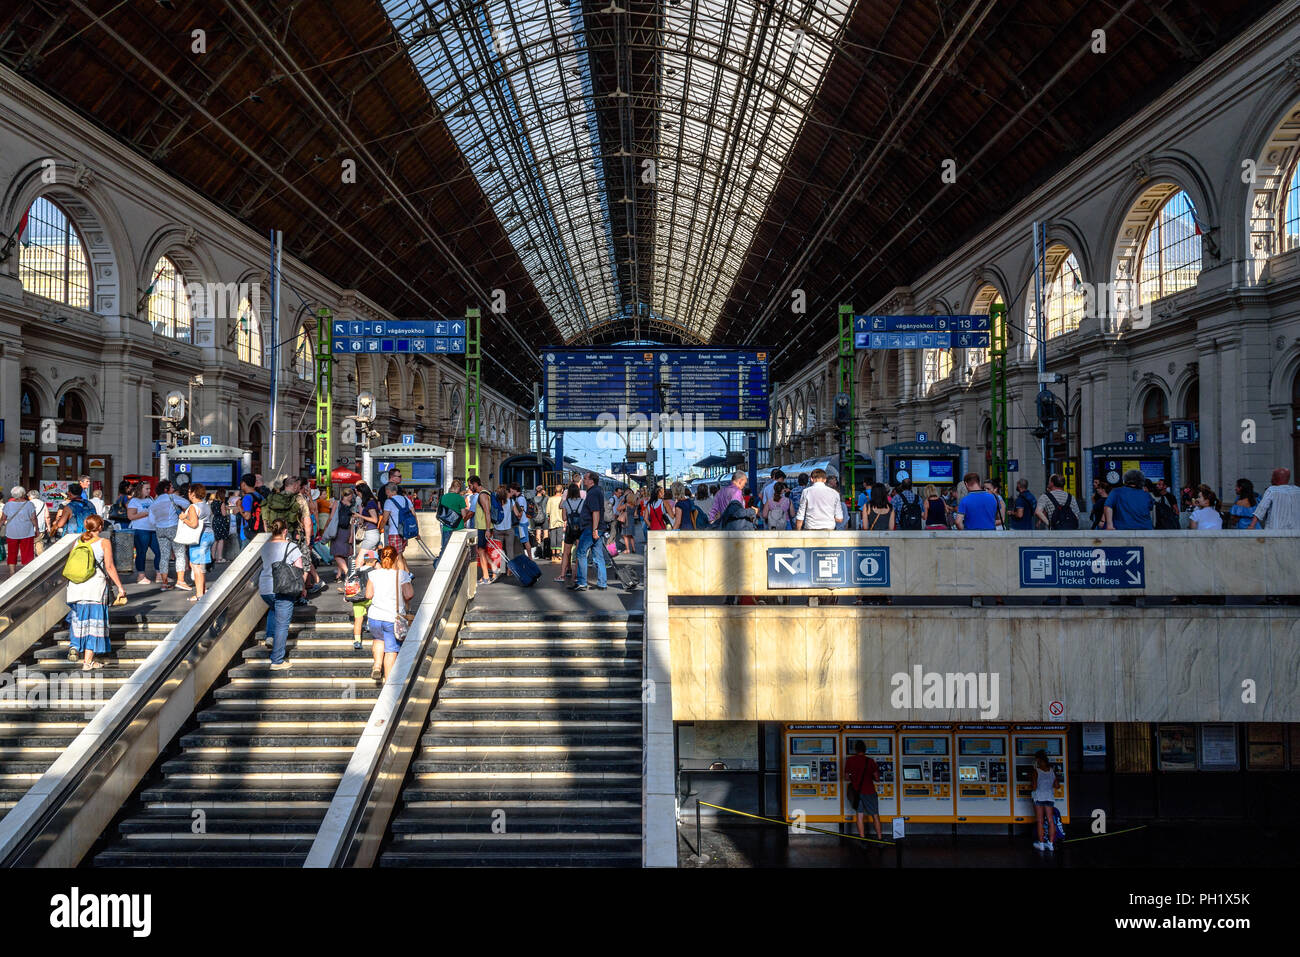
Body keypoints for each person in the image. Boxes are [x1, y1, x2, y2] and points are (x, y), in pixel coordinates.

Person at [64, 515, 126, 671]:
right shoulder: (104, 542)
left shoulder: (77, 542)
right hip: (95, 588)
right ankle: (87, 662)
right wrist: (120, 587)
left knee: (78, 620)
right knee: (94, 624)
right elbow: (110, 567)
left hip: (75, 587)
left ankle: (74, 644)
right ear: (100, 527)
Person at [364, 545, 414, 683]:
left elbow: (368, 595)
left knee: (379, 640)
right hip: (392, 618)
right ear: (396, 558)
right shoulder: (401, 575)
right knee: (391, 650)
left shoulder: (373, 574)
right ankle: (389, 681)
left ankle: (377, 666)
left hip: (374, 616)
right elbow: (409, 595)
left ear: (381, 558)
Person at [257, 519, 302, 669]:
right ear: (285, 531)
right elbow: (299, 567)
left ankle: (270, 636)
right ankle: (277, 660)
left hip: (265, 588)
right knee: (283, 625)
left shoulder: (264, 547)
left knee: (274, 608)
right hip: (283, 587)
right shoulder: (291, 546)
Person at [571, 472, 607, 592]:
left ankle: (582, 582)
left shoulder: (592, 493)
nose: (583, 480)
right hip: (596, 528)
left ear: (591, 481)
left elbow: (595, 512)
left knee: (581, 552)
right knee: (598, 556)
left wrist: (594, 529)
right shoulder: (597, 491)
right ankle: (602, 583)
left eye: (585, 478)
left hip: (590, 528)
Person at [179, 482, 213, 601]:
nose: (188, 494)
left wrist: (184, 519)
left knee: (196, 567)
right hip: (209, 535)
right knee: (201, 567)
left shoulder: (194, 507)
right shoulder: (206, 505)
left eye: (189, 492)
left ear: (193, 494)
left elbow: (194, 524)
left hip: (199, 537)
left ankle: (199, 595)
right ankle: (202, 592)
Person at [843, 739, 882, 841]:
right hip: (870, 792)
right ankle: (879, 838)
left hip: (857, 792)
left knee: (859, 816)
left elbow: (846, 778)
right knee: (875, 815)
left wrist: (854, 777)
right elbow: (877, 779)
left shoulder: (850, 761)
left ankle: (862, 839)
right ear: (865, 750)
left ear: (855, 750)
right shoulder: (870, 761)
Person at [342, 547, 378, 651]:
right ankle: (368, 625)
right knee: (371, 611)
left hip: (356, 598)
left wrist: (346, 596)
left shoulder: (355, 571)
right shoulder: (373, 572)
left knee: (358, 620)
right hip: (368, 597)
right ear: (374, 561)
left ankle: (357, 641)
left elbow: (349, 583)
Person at [463, 475, 497, 585]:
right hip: (483, 527)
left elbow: (487, 512)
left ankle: (486, 576)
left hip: (483, 527)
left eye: (470, 485)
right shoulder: (486, 493)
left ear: (475, 484)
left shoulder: (482, 495)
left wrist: (487, 529)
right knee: (482, 550)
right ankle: (493, 569)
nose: (469, 487)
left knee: (481, 551)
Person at [2, 486, 39, 574]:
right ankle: (27, 572)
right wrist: (37, 529)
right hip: (27, 531)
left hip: (12, 532)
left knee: (12, 552)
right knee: (27, 552)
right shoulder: (29, 504)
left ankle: (12, 572)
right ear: (23, 494)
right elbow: (33, 518)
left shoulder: (8, 504)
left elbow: (3, 519)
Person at [1032, 749, 1060, 851]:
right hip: (1049, 797)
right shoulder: (1052, 770)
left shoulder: (1036, 771)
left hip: (1039, 797)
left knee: (1039, 821)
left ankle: (1041, 844)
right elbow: (1057, 786)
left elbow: (1034, 787)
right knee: (1050, 820)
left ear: (1038, 760)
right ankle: (1051, 844)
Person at [328, 486, 356, 582]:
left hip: (338, 530)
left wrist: (326, 528)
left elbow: (331, 517)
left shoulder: (337, 503)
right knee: (343, 554)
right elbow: (353, 522)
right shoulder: (352, 506)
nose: (352, 498)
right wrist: (351, 535)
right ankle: (339, 576)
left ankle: (347, 572)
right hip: (347, 531)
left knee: (336, 554)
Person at [557, 482, 583, 582]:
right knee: (579, 552)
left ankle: (562, 575)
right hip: (580, 530)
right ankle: (576, 576)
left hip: (569, 529)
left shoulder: (565, 503)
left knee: (566, 553)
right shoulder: (583, 502)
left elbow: (564, 518)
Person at [438, 479, 467, 559]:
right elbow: (464, 514)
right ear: (458, 487)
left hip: (446, 527)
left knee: (445, 548)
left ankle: (440, 565)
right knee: (458, 549)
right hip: (458, 527)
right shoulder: (460, 498)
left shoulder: (443, 497)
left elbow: (440, 511)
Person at [353, 481, 383, 551]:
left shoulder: (370, 503)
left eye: (358, 493)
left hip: (371, 533)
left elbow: (374, 519)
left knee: (359, 561)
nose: (358, 495)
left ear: (361, 492)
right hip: (371, 532)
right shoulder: (369, 502)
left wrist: (359, 516)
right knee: (370, 558)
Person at [237, 474, 263, 544]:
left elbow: (247, 516)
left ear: (243, 484)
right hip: (259, 530)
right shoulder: (260, 496)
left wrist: (239, 506)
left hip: (248, 533)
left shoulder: (247, 497)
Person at [492, 485, 516, 559]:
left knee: (498, 551)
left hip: (497, 529)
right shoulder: (511, 501)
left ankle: (500, 569)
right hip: (508, 529)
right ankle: (510, 570)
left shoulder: (495, 503)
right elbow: (517, 514)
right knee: (510, 550)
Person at [28, 490, 50, 555]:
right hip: (40, 527)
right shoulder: (43, 503)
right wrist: (48, 527)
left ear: (30, 497)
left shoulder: (27, 504)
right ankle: (40, 560)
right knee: (39, 543)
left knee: (29, 544)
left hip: (28, 528)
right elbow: (47, 516)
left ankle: (30, 560)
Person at [546, 483, 565, 561]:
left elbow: (547, 512)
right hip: (561, 521)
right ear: (562, 490)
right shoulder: (562, 499)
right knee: (559, 538)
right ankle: (558, 554)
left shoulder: (550, 499)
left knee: (553, 538)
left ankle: (553, 555)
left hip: (552, 521)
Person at [617, 489, 639, 554]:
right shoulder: (635, 506)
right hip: (631, 521)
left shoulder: (626, 505)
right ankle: (634, 549)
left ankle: (627, 549)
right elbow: (635, 514)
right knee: (631, 536)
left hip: (626, 522)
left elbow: (618, 509)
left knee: (625, 536)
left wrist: (621, 501)